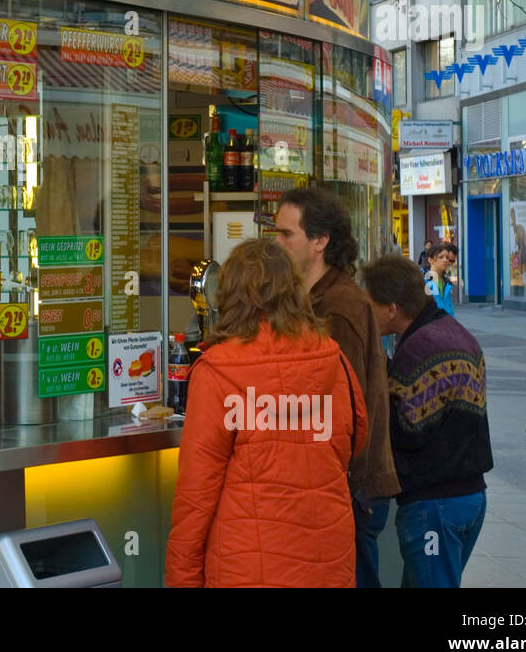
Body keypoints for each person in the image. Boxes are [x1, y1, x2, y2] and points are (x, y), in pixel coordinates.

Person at [165, 239, 366, 588]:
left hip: (246, 568)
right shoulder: (333, 360)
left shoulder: (219, 371)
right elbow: (356, 440)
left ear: (228, 295)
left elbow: (196, 495)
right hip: (328, 562)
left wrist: (181, 578)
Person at [273, 187, 400, 587]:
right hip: (345, 487)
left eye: (285, 234)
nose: (276, 243)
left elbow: (340, 410)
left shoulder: (338, 308)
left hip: (349, 488)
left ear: (320, 241)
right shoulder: (317, 299)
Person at [362, 255, 493, 588]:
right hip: (469, 495)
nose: (367, 313)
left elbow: (403, 430)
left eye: (370, 305)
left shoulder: (419, 349)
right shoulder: (455, 332)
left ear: (391, 308)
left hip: (434, 504)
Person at [425, 241, 457, 315]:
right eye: (441, 257)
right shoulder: (422, 281)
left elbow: (450, 309)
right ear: (430, 260)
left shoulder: (447, 283)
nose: (445, 260)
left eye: (447, 257)